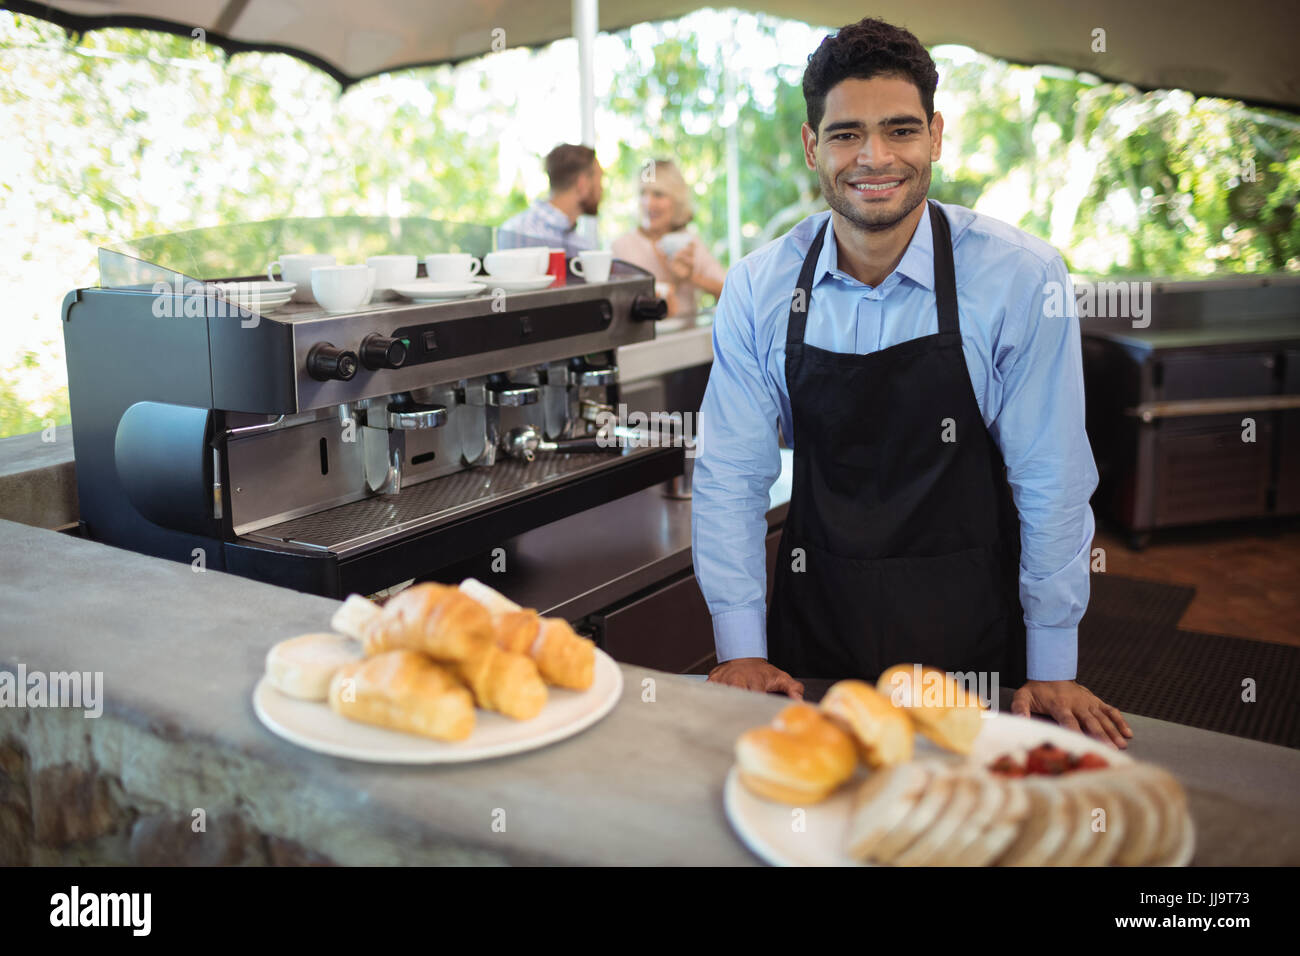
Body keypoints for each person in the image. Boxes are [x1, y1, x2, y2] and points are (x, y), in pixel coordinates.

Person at [692, 16, 1133, 749]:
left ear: (934, 135)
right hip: (814, 631)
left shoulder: (1018, 276)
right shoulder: (760, 287)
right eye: (845, 134)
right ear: (812, 146)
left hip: (974, 641)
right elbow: (731, 474)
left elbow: (1050, 476)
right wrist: (741, 646)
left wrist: (1054, 659)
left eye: (900, 130)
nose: (874, 157)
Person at [611, 159, 726, 318]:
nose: (648, 203)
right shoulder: (621, 246)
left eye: (658, 194)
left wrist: (690, 277)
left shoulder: (688, 243)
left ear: (677, 200)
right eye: (643, 193)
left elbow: (729, 291)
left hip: (684, 337)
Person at [498, 144, 603, 255]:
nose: (601, 190)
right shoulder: (519, 232)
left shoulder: (581, 244)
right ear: (582, 184)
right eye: (600, 180)